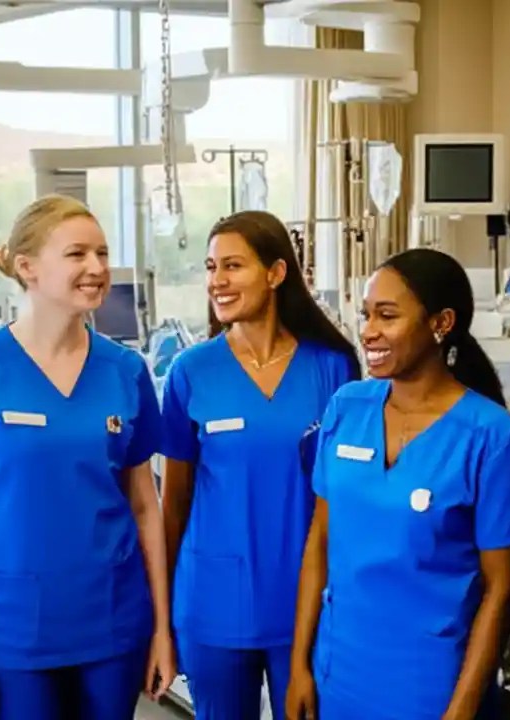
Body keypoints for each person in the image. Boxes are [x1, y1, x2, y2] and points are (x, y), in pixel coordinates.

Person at [0, 194, 176, 719]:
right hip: (12, 629)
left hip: (112, 622)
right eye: (77, 254)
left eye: (102, 253)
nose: (97, 268)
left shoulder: (125, 370)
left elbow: (146, 507)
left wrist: (162, 630)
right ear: (27, 267)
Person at [286, 248, 510, 720]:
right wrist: (299, 666)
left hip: (431, 684)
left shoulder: (491, 437)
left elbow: (502, 591)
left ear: (441, 323)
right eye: (366, 314)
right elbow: (319, 544)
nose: (368, 331)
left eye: (387, 316)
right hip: (339, 671)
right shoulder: (347, 408)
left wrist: (463, 708)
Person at [159, 211, 360, 719]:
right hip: (214, 600)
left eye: (232, 266)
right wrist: (159, 614)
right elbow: (174, 502)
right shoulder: (191, 372)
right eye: (210, 267)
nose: (216, 282)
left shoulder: (332, 367)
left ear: (275, 273)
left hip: (308, 599)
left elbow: (346, 497)